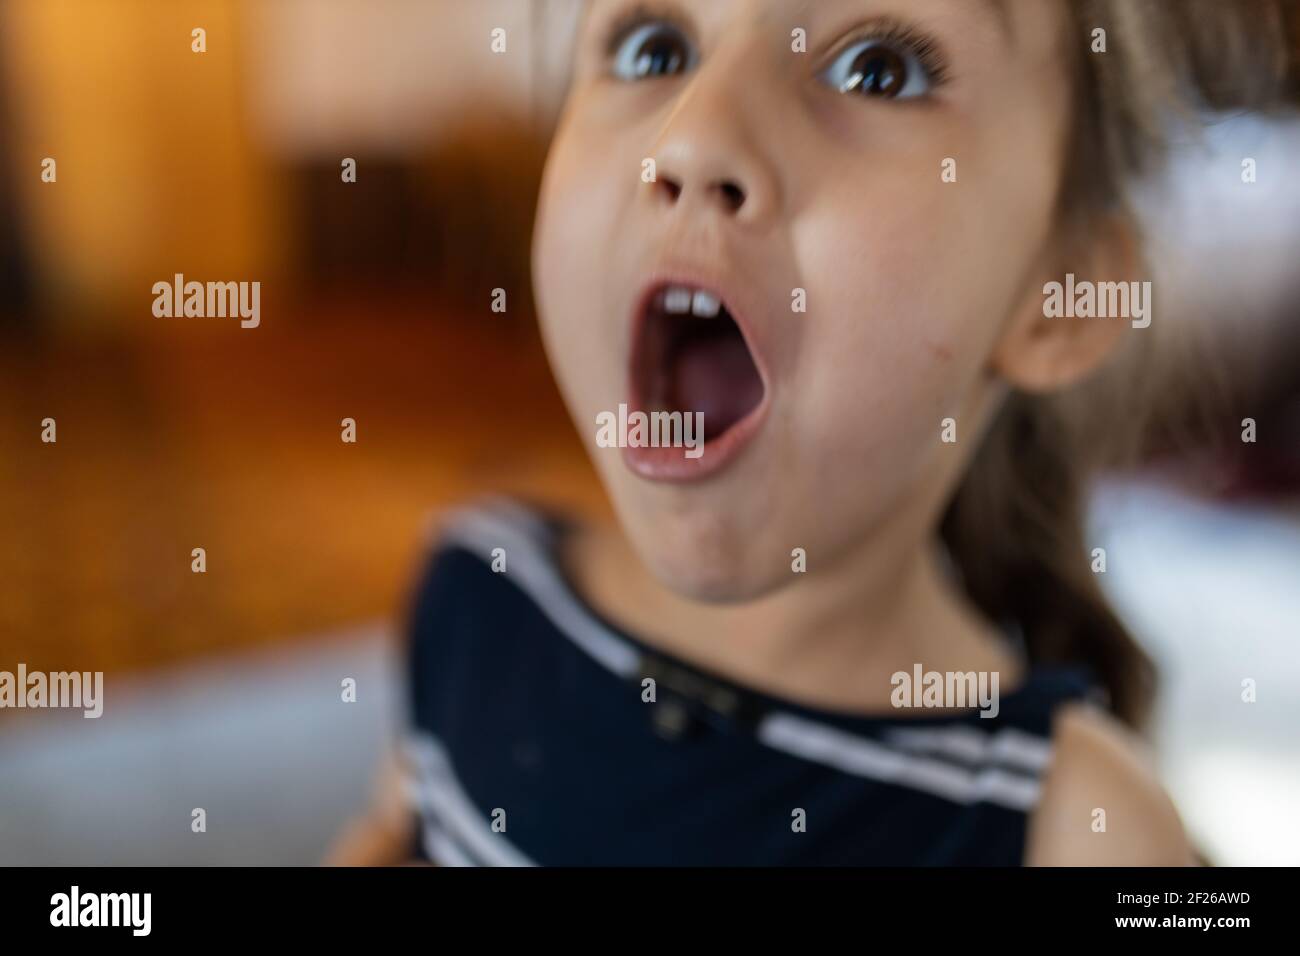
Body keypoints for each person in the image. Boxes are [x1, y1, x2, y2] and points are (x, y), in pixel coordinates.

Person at [328, 0, 1295, 866]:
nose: (695, 135)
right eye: (654, 45)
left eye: (879, 68)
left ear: (1060, 298)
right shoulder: (473, 595)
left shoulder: (1079, 833)